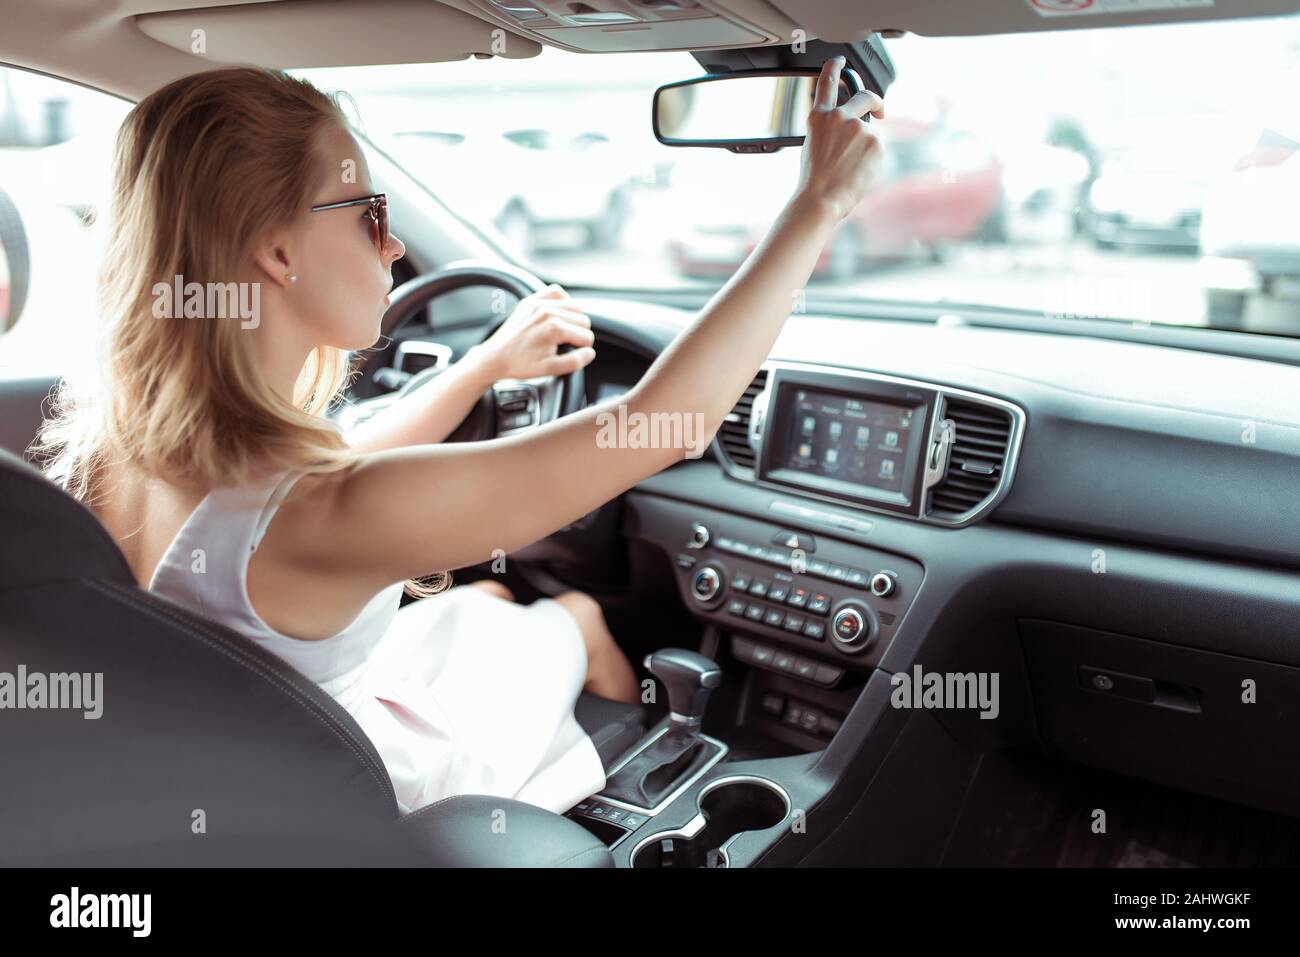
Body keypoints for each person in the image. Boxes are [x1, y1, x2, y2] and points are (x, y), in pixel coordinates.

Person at [30, 55, 885, 815]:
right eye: (368, 212)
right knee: (565, 614)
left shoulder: (119, 446)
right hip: (345, 796)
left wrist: (480, 370)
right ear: (277, 254)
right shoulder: (324, 513)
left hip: (230, 776)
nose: (396, 244)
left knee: (475, 605)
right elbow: (662, 425)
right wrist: (819, 203)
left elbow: (345, 471)